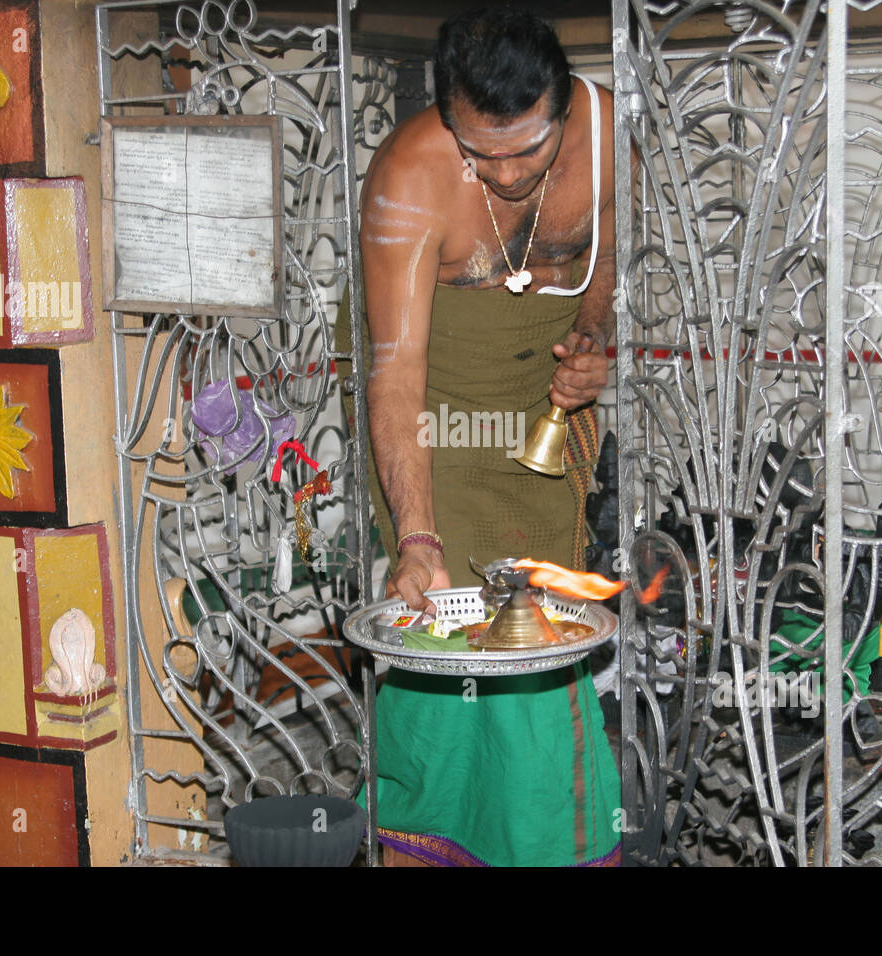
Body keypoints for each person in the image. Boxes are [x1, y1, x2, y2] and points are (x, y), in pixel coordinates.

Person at [339, 8, 620, 866]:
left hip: (545, 431)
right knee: (441, 647)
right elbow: (394, 375)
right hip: (438, 431)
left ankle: (548, 849)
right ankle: (425, 849)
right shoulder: (411, 174)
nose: (504, 171)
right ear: (447, 120)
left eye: (528, 150)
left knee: (541, 650)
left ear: (566, 108)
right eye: (480, 151)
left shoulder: (609, 139)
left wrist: (590, 351)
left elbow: (606, 261)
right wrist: (415, 535)